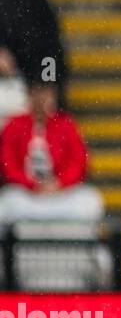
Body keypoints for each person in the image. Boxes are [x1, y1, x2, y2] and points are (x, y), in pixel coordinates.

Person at [0, 83, 102, 227]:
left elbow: (78, 162)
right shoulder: (14, 125)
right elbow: (7, 163)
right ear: (30, 95)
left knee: (90, 200)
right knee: (7, 203)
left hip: (60, 195)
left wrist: (58, 183)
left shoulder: (66, 125)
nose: (44, 99)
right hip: (27, 196)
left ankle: (76, 247)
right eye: (39, 93)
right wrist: (32, 185)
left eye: (48, 94)